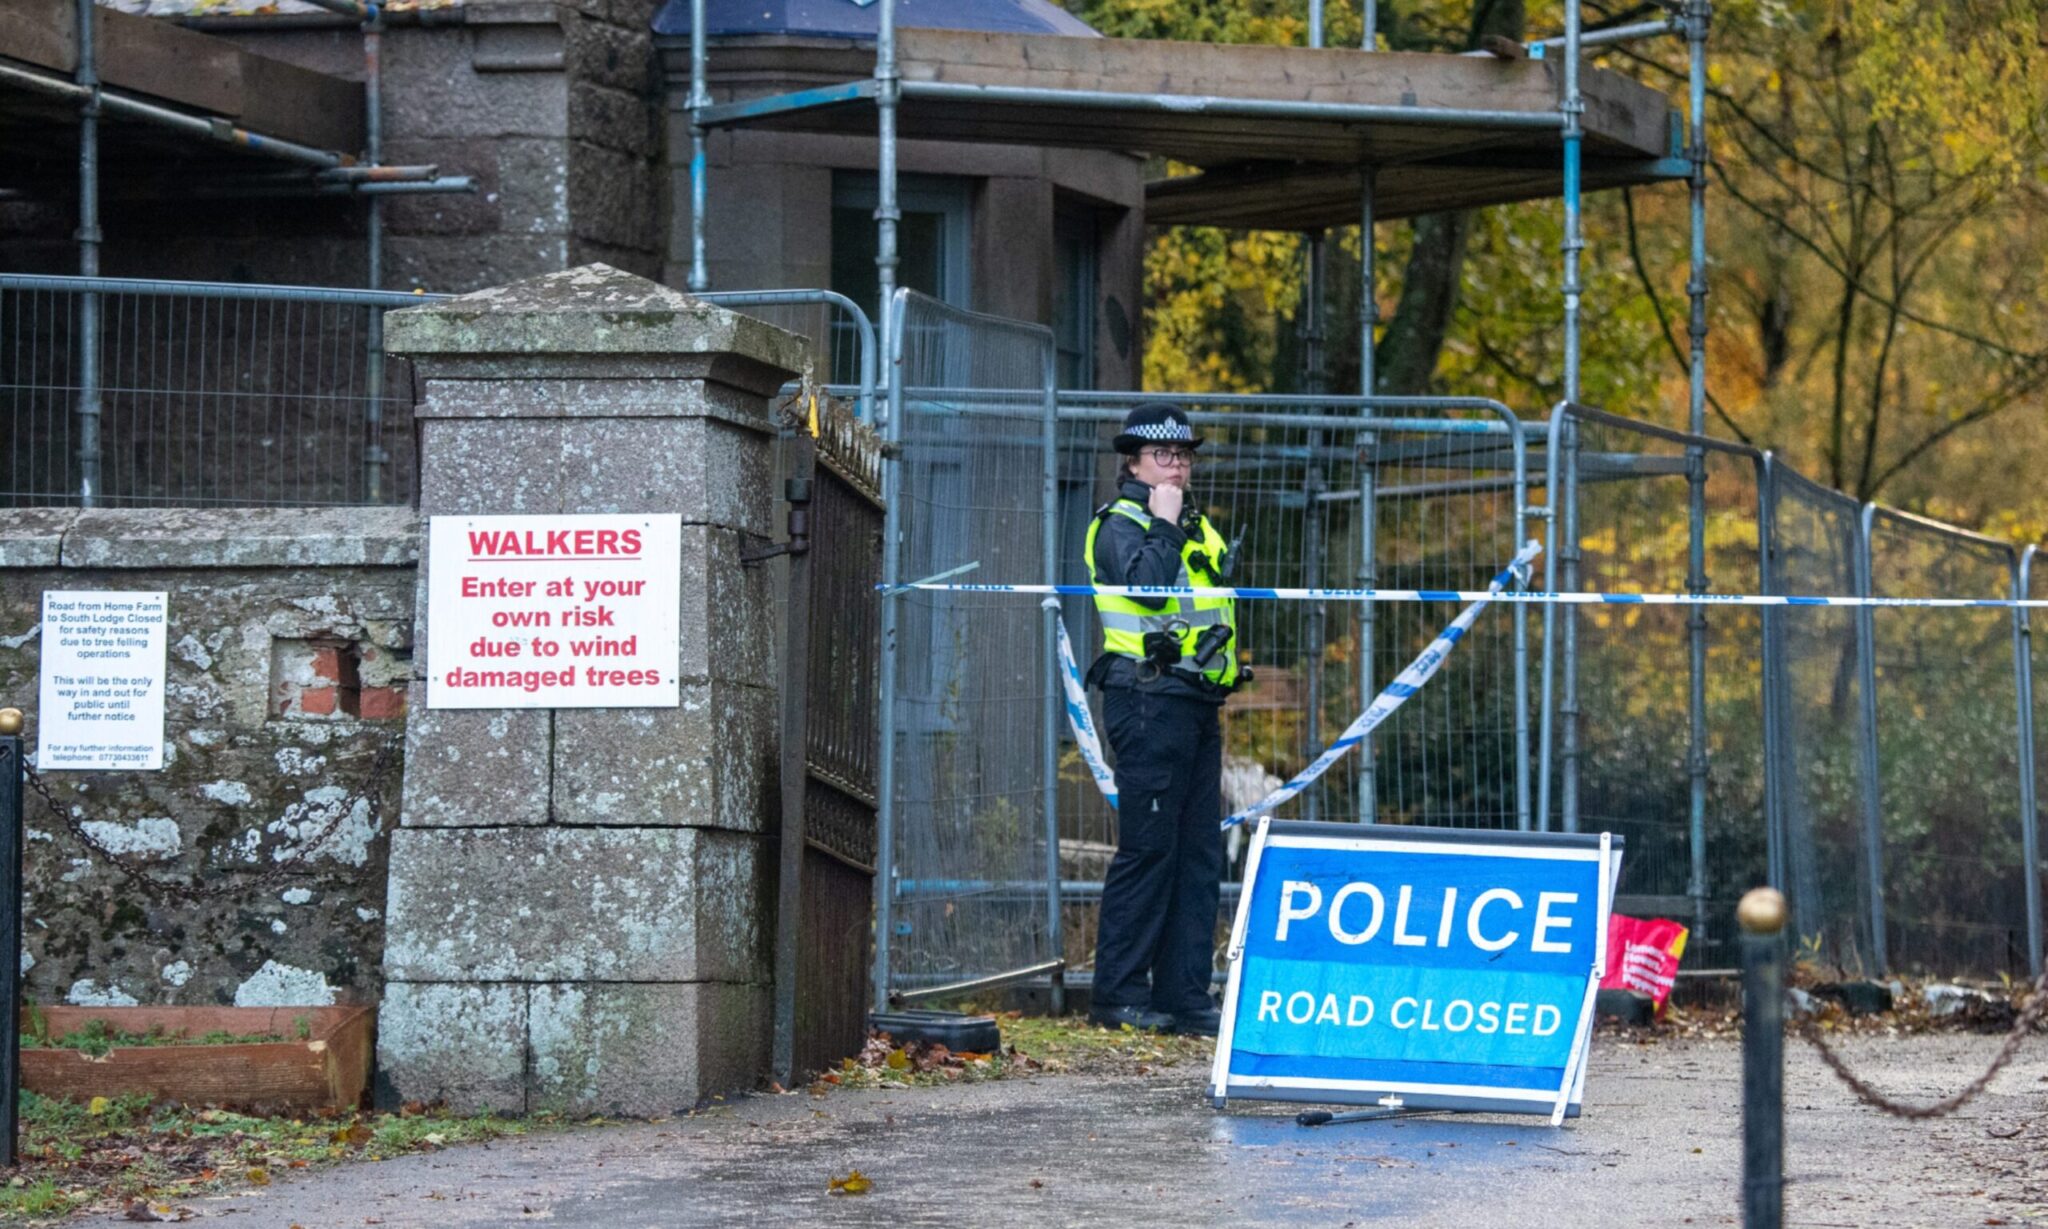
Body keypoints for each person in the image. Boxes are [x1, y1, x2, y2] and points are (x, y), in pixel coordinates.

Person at [1082, 403, 1240, 1037]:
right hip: (1147, 700)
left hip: (1196, 702)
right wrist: (1165, 523)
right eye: (1163, 455)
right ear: (1133, 463)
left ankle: (1185, 997)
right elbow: (1145, 591)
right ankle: (1118, 995)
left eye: (1184, 455)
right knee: (1148, 850)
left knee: (1198, 857)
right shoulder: (1119, 525)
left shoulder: (1196, 526)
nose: (1177, 466)